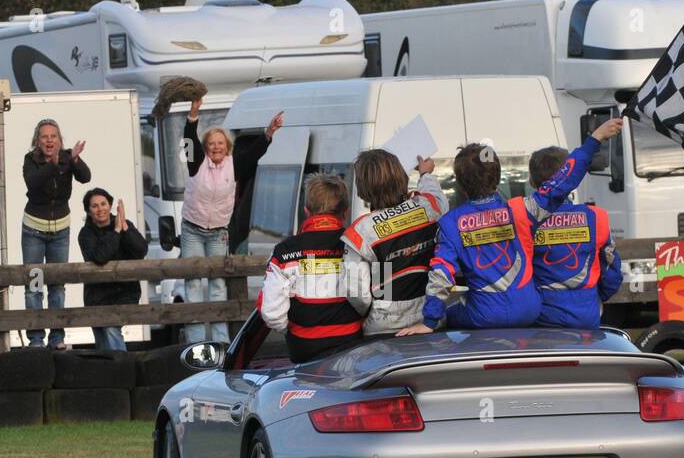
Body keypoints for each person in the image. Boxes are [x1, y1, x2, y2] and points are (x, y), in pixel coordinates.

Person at [400, 128, 611, 335]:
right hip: (530, 311)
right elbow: (562, 181)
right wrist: (594, 139)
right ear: (498, 177)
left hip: (483, 316)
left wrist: (430, 321)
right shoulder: (521, 210)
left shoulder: (450, 223)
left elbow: (442, 274)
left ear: (461, 185)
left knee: (447, 313)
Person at [181, 95, 284, 343]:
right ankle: (196, 341)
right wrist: (193, 116)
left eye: (220, 143)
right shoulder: (196, 164)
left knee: (218, 283)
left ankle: (220, 341)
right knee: (193, 282)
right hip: (193, 229)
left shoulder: (234, 164)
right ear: (206, 148)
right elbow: (188, 140)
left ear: (227, 146)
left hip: (218, 231)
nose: (216, 147)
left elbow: (255, 152)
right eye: (211, 144)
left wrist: (269, 132)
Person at [512, 127, 624, 329]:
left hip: (539, 318)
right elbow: (612, 273)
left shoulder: (523, 218)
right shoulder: (595, 217)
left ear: (531, 180)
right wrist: (592, 298)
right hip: (586, 316)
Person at [258, 173, 363, 363]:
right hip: (352, 345)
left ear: (306, 211)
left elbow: (271, 311)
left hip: (304, 348)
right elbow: (379, 294)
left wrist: (290, 328)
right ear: (345, 212)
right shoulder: (358, 244)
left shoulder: (285, 251)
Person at [342, 149, 445, 335]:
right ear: (401, 176)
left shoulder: (360, 232)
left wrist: (372, 311)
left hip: (385, 328)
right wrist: (425, 174)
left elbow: (357, 294)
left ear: (363, 190)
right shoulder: (429, 206)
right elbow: (436, 195)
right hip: (431, 321)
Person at [22, 118, 90, 349]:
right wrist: (53, 163)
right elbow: (33, 183)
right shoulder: (30, 160)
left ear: (60, 140)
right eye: (44, 136)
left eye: (54, 136)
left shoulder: (68, 157)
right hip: (33, 228)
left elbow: (85, 177)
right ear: (37, 140)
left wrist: (76, 159)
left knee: (57, 285)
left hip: (60, 229)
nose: (49, 140)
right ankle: (36, 339)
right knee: (34, 284)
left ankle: (57, 337)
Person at [77, 187, 147, 350]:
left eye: (103, 204)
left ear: (110, 205)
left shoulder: (124, 225)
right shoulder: (86, 234)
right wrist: (115, 232)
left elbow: (141, 250)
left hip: (125, 292)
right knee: (102, 339)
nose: (100, 209)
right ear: (88, 211)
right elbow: (100, 256)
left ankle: (123, 370)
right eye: (95, 206)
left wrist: (124, 228)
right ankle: (107, 373)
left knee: (111, 327)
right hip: (97, 296)